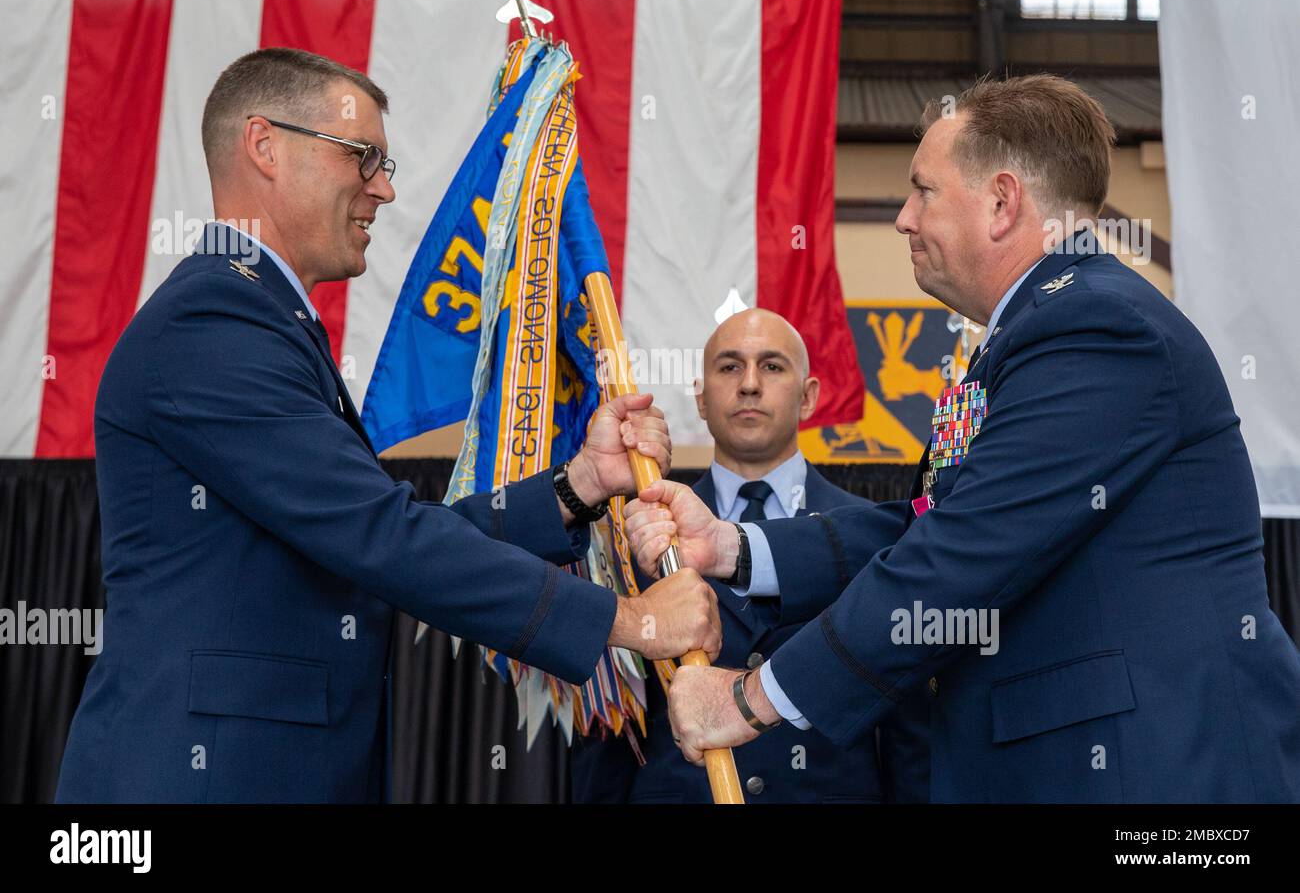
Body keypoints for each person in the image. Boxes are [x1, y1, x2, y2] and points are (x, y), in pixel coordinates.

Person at [56, 48, 720, 803]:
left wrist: (578, 485)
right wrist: (630, 620)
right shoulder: (214, 320)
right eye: (363, 157)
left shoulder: (260, 319)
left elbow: (366, 539)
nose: (386, 187)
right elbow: (383, 537)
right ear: (265, 146)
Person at [628, 75, 1300, 802]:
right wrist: (733, 547)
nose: (904, 220)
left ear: (1003, 202)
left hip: (1154, 777)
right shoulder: (1033, 331)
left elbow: (961, 554)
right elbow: (929, 528)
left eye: (923, 190)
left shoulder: (1100, 329)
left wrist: (749, 700)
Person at [571, 309, 928, 802]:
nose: (750, 385)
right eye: (729, 367)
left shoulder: (877, 539)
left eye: (773, 366)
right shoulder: (638, 530)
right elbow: (612, 724)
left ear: (809, 397)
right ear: (699, 395)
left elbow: (907, 723)